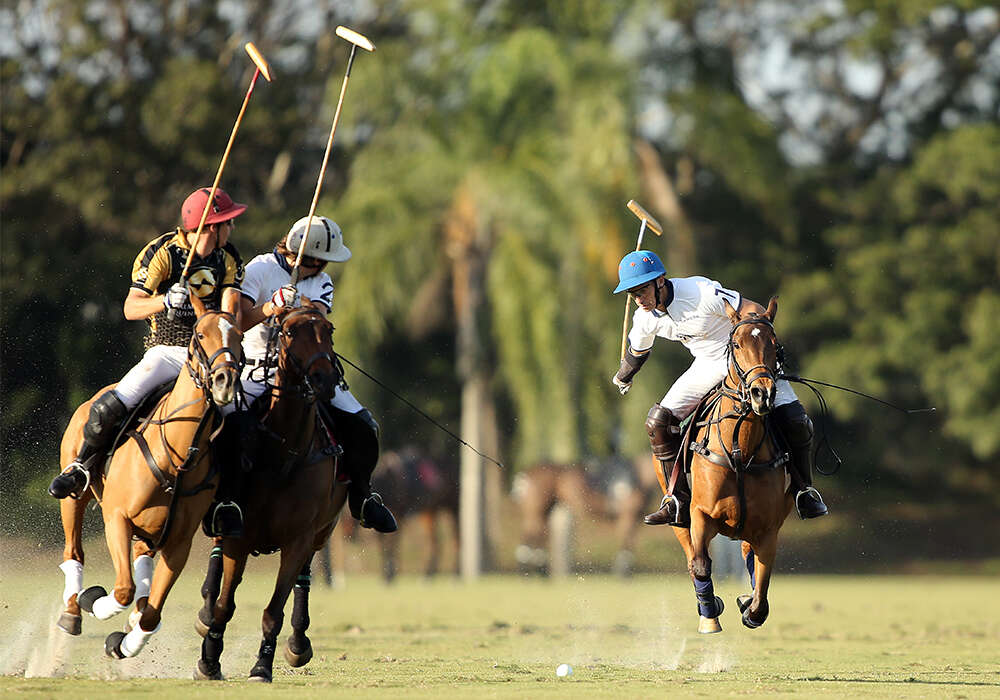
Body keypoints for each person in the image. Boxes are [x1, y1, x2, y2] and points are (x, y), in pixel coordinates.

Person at [48, 187, 248, 535]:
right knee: (118, 400)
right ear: (212, 227)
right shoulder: (163, 253)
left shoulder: (228, 258)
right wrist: (164, 301)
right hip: (168, 352)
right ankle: (81, 467)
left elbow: (231, 312)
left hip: (207, 356)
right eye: (227, 222)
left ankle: (225, 501)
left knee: (240, 422)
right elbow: (130, 308)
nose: (232, 228)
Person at [611, 250, 828, 527]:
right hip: (707, 365)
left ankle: (804, 490)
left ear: (661, 281)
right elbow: (636, 353)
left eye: (642, 290)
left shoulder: (701, 292)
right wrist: (623, 376)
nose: (640, 299)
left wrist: (758, 347)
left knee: (795, 419)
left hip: (746, 359)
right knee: (658, 423)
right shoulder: (645, 318)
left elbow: (753, 309)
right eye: (634, 294)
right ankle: (676, 500)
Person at [230, 214, 397, 533]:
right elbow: (237, 323)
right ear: (310, 256)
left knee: (363, 424)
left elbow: (316, 324)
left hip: (305, 371)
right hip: (255, 370)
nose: (325, 266)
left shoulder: (322, 282)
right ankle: (226, 500)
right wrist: (271, 307)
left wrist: (299, 307)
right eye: (323, 260)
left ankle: (362, 497)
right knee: (230, 423)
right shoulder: (260, 269)